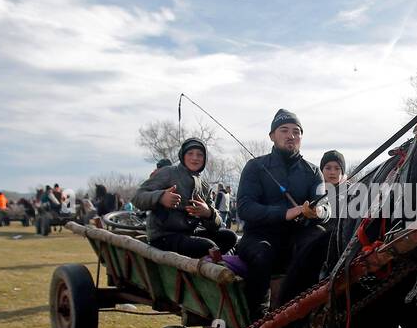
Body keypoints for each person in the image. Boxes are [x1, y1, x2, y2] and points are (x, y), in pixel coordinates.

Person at [235, 109, 325, 314]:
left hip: (296, 238)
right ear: (272, 136)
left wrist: (319, 211)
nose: (291, 135)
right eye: (284, 130)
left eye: (296, 131)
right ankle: (257, 320)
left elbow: (324, 203)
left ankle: (308, 310)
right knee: (262, 253)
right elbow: (245, 208)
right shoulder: (255, 167)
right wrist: (286, 213)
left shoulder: (313, 171)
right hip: (259, 237)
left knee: (320, 239)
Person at [132, 137, 238, 259]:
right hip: (164, 235)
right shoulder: (168, 173)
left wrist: (208, 213)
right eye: (190, 153)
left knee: (230, 237)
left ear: (204, 159)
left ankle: (213, 261)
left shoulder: (204, 186)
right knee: (207, 246)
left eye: (200, 155)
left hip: (189, 234)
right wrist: (161, 197)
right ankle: (208, 263)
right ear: (183, 156)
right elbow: (138, 197)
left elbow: (217, 224)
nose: (195, 158)